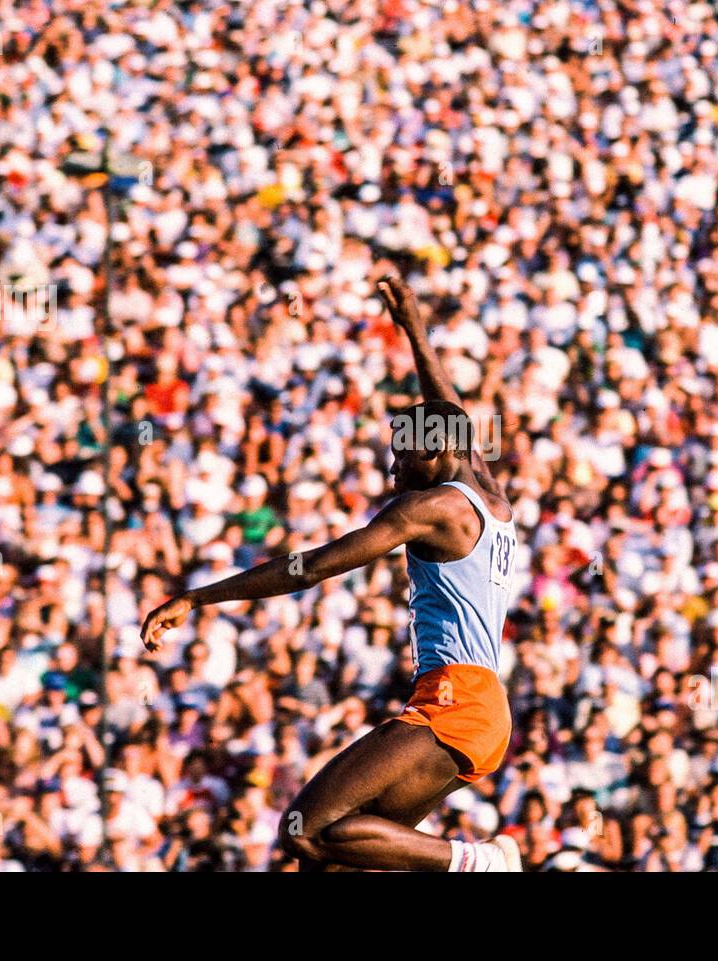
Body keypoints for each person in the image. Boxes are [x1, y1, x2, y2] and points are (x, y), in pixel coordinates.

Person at [140, 272, 521, 872]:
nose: (393, 467)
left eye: (404, 455)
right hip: (481, 708)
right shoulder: (487, 496)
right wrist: (414, 331)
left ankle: (483, 863)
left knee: (305, 829)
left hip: (456, 703)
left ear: (437, 454)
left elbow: (310, 568)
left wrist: (198, 597)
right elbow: (454, 415)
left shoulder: (430, 509)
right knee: (334, 860)